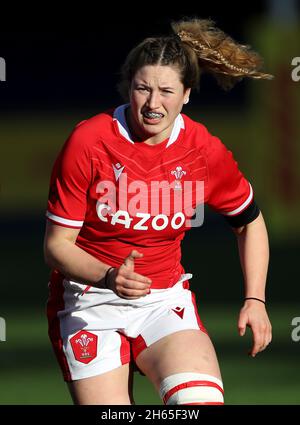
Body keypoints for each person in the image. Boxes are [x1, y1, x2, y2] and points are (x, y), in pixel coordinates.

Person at [44, 18, 273, 405]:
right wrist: (110, 275)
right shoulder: (90, 140)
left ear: (186, 94)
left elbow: (249, 223)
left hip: (163, 301)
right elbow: (56, 246)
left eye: (166, 91)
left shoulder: (203, 149)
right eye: (143, 89)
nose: (153, 104)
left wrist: (255, 299)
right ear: (128, 86)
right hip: (88, 302)